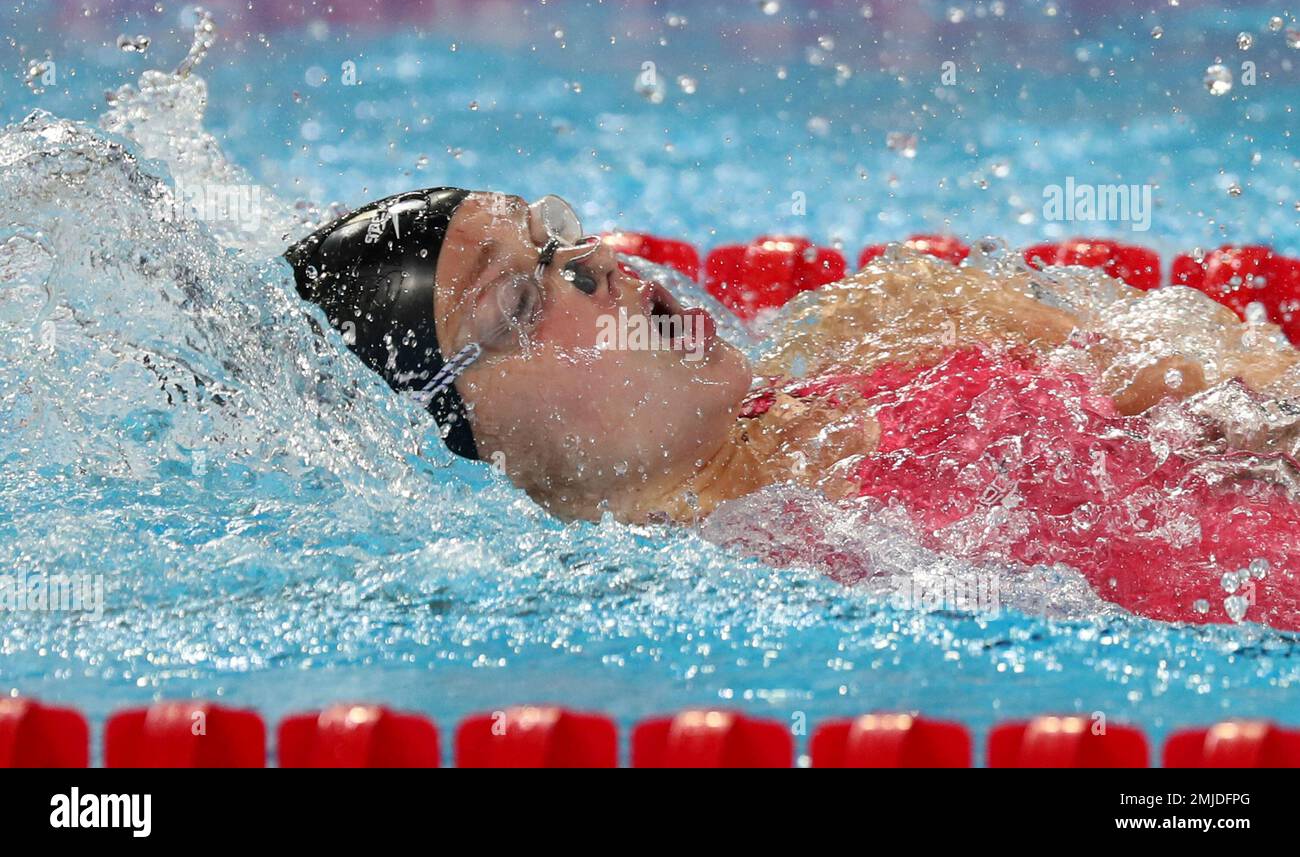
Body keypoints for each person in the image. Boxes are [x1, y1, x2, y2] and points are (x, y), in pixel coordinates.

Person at [287, 187, 1300, 628]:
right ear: (461, 446)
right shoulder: (786, 570)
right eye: (521, 297)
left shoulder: (883, 324)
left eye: (558, 240)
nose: (595, 263)